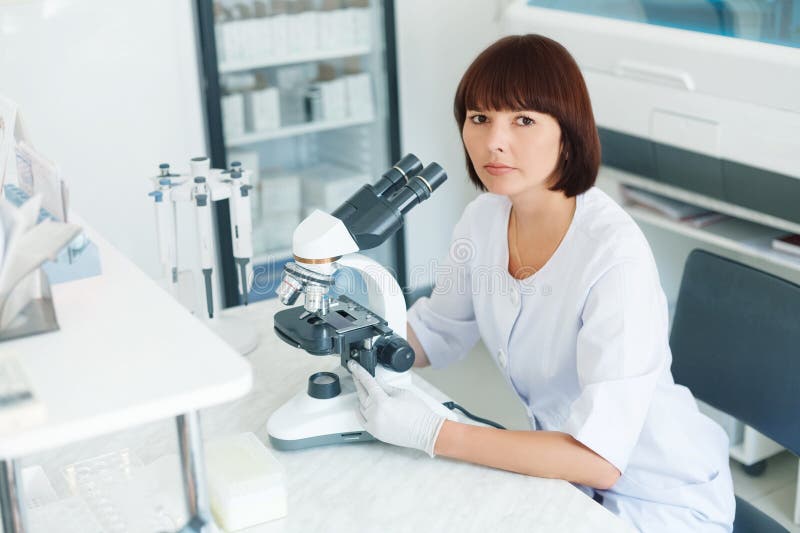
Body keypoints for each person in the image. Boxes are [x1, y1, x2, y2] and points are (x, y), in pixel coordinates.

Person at [347, 34, 735, 532]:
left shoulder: (614, 256)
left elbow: (598, 457)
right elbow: (437, 332)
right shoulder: (483, 219)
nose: (494, 142)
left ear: (567, 134)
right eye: (479, 118)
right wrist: (353, 330)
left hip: (658, 496)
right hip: (567, 481)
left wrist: (434, 433)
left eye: (523, 120)